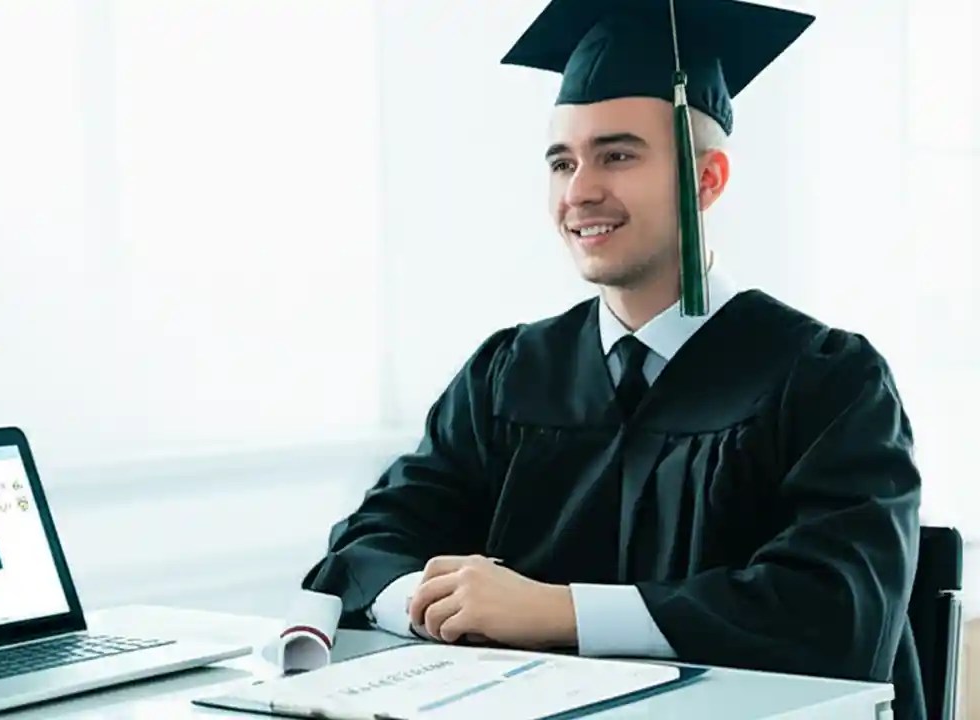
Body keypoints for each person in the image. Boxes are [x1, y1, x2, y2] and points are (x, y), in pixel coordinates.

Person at [299, 0, 925, 717]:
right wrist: (436, 602)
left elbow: (836, 613)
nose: (580, 191)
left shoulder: (825, 380)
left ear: (708, 179)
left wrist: (556, 612)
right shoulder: (509, 373)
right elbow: (368, 546)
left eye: (617, 155)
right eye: (562, 162)